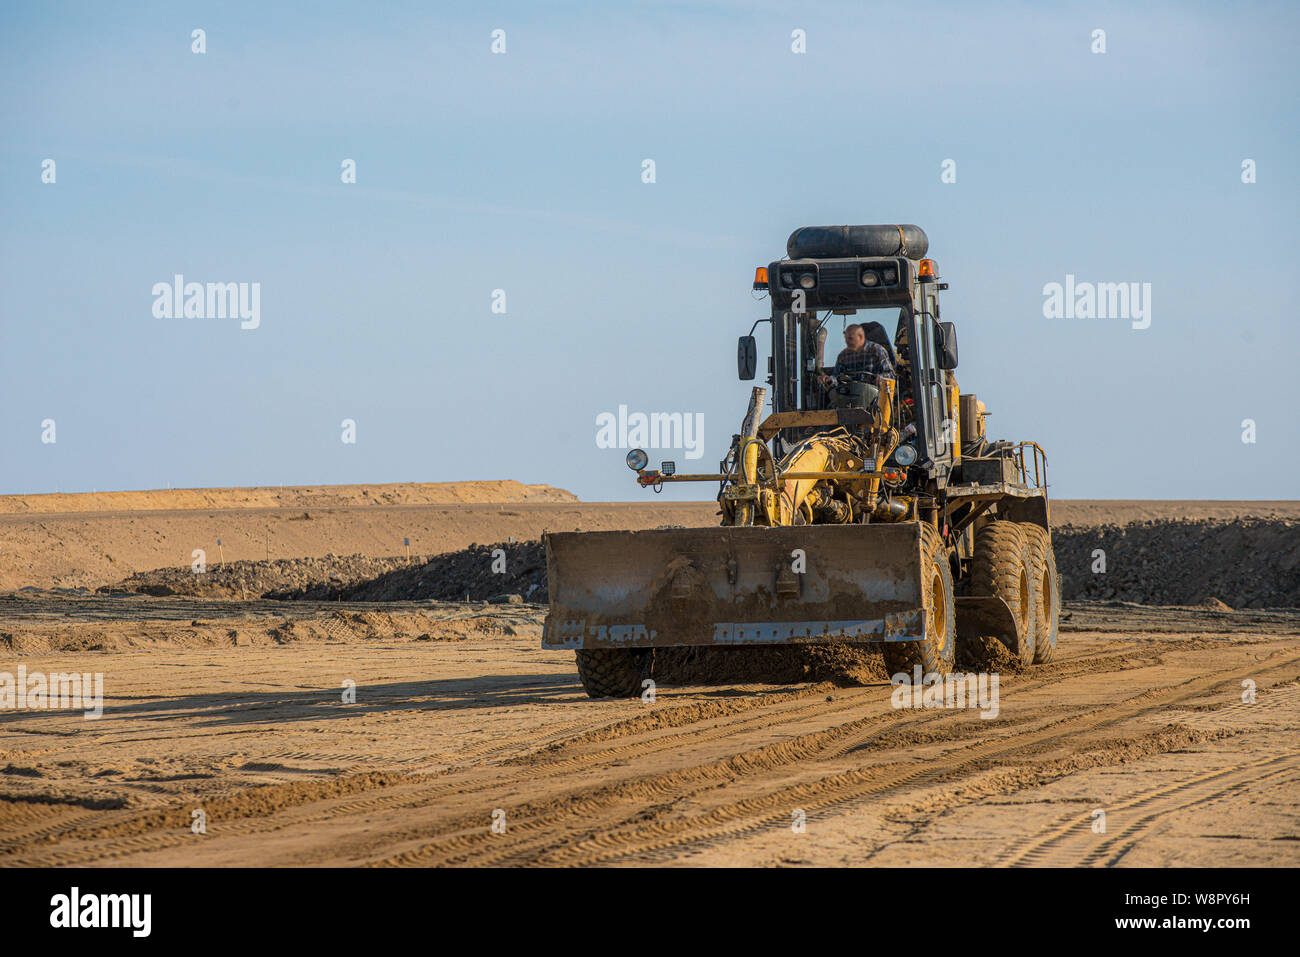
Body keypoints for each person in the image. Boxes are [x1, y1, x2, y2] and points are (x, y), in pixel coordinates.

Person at [817, 322, 894, 389]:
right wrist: (829, 380)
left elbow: (891, 376)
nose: (847, 342)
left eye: (850, 338)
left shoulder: (877, 351)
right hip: (849, 398)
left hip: (875, 399)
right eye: (846, 339)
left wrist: (880, 378)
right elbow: (837, 378)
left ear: (860, 337)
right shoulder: (843, 356)